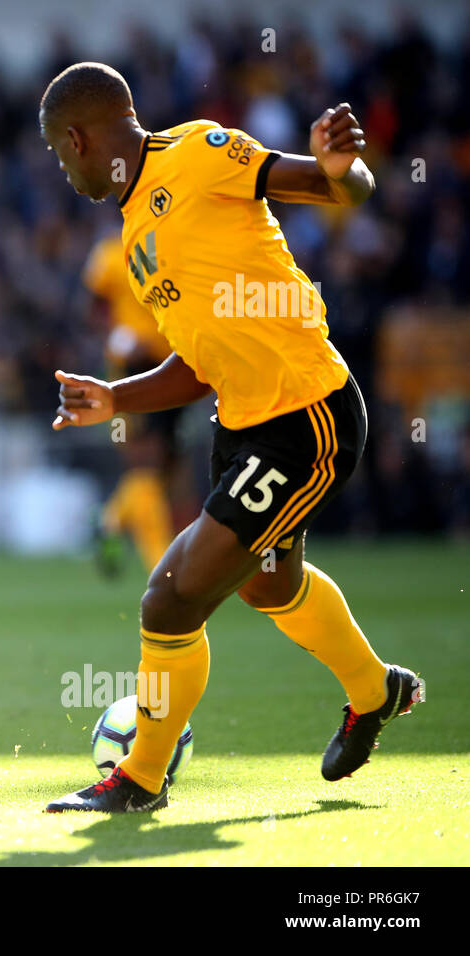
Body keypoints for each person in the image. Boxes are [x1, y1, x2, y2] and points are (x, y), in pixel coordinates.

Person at [40, 62, 423, 812]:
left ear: (80, 138)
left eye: (59, 152)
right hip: (243, 425)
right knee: (268, 584)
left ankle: (140, 778)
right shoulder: (136, 231)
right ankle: (375, 690)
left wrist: (346, 173)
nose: (62, 168)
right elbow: (201, 362)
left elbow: (333, 186)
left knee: (169, 599)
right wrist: (116, 396)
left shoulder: (200, 151)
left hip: (304, 417)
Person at [82, 234, 182, 576]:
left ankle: (111, 519)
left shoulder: (178, 241)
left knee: (166, 464)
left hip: (177, 364)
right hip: (132, 367)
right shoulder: (111, 252)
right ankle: (162, 565)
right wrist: (117, 338)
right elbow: (93, 306)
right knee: (145, 460)